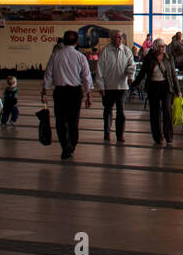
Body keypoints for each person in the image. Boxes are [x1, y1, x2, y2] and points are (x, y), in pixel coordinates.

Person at [42, 29, 94, 160]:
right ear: (77, 42)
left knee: (60, 121)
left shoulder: (55, 55)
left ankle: (65, 146)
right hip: (75, 92)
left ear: (63, 41)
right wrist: (89, 95)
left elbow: (48, 74)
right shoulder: (80, 57)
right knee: (73, 121)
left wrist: (44, 91)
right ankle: (72, 146)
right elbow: (87, 77)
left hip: (59, 92)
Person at [132, 38, 182, 146]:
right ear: (155, 48)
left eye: (163, 46)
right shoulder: (149, 59)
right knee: (154, 113)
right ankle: (157, 137)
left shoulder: (169, 58)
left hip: (166, 86)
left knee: (167, 112)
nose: (163, 48)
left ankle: (168, 136)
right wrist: (133, 85)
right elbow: (142, 73)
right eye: (160, 46)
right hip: (153, 86)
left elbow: (173, 75)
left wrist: (178, 90)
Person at [96, 30, 136, 143]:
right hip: (108, 86)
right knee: (108, 110)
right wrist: (100, 86)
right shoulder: (105, 51)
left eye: (121, 37)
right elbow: (99, 70)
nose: (120, 39)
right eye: (117, 37)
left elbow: (131, 65)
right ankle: (107, 132)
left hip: (122, 86)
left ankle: (120, 134)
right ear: (112, 38)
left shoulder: (126, 51)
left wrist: (130, 76)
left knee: (121, 111)